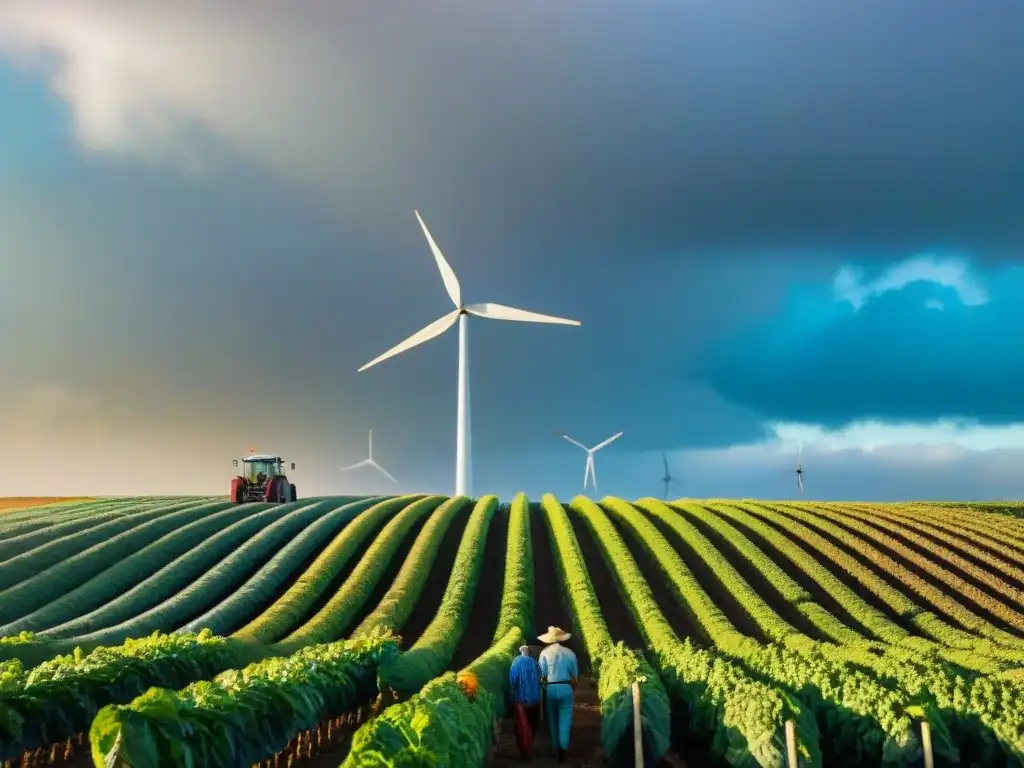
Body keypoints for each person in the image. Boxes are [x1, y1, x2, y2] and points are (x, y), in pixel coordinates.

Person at [538, 626, 578, 762]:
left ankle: (555, 748)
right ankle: (563, 749)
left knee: (552, 720)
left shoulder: (544, 653)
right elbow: (575, 677)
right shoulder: (570, 653)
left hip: (550, 688)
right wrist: (573, 689)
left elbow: (542, 674)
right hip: (566, 687)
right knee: (565, 720)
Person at [508, 645, 542, 759]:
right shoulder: (535, 663)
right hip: (534, 699)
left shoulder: (516, 662)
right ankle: (529, 744)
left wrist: (512, 696)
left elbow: (513, 681)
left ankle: (525, 750)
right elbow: (540, 678)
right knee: (532, 724)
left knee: (522, 726)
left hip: (520, 700)